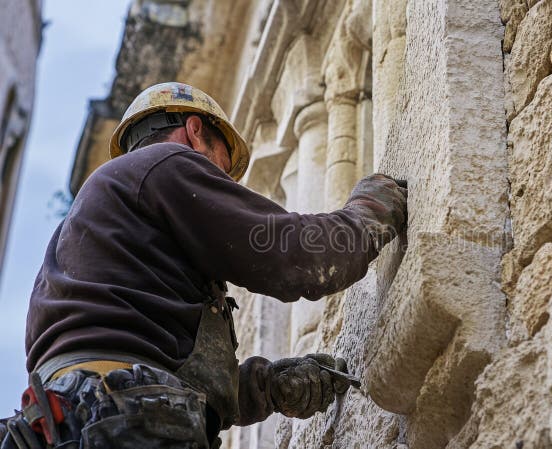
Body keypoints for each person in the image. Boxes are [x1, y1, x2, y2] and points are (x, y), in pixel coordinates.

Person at [0, 82, 407, 449]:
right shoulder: (166, 164)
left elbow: (150, 353)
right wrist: (365, 216)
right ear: (195, 132)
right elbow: (291, 255)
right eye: (222, 170)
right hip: (120, 416)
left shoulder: (92, 229)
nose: (224, 188)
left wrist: (267, 388)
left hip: (78, 420)